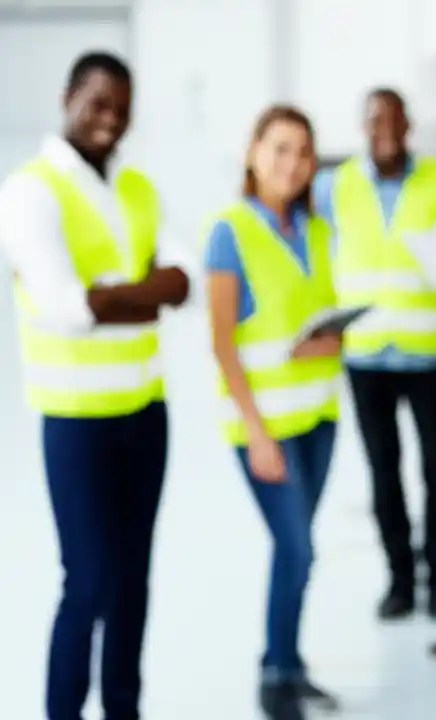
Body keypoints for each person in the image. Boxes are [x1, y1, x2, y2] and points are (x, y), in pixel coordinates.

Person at [0, 51, 192, 720]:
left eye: (122, 107)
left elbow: (185, 281)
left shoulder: (137, 187)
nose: (110, 119)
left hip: (145, 412)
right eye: (97, 103)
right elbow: (68, 309)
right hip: (76, 419)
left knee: (134, 582)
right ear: (68, 96)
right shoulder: (29, 190)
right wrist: (139, 295)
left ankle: (123, 709)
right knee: (88, 581)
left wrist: (114, 295)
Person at [205, 104, 344, 719]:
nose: (292, 164)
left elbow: (318, 321)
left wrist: (333, 339)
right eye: (280, 148)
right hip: (265, 428)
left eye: (303, 152)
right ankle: (274, 677)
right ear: (253, 151)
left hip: (318, 421)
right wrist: (257, 436)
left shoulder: (315, 229)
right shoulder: (229, 231)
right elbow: (222, 342)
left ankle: (289, 663)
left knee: (298, 549)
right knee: (298, 550)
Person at [313, 88, 436, 621]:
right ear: (362, 126)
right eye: (375, 122)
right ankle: (399, 579)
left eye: (394, 121)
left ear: (409, 124)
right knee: (384, 472)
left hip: (426, 352)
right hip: (367, 356)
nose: (386, 132)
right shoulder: (336, 186)